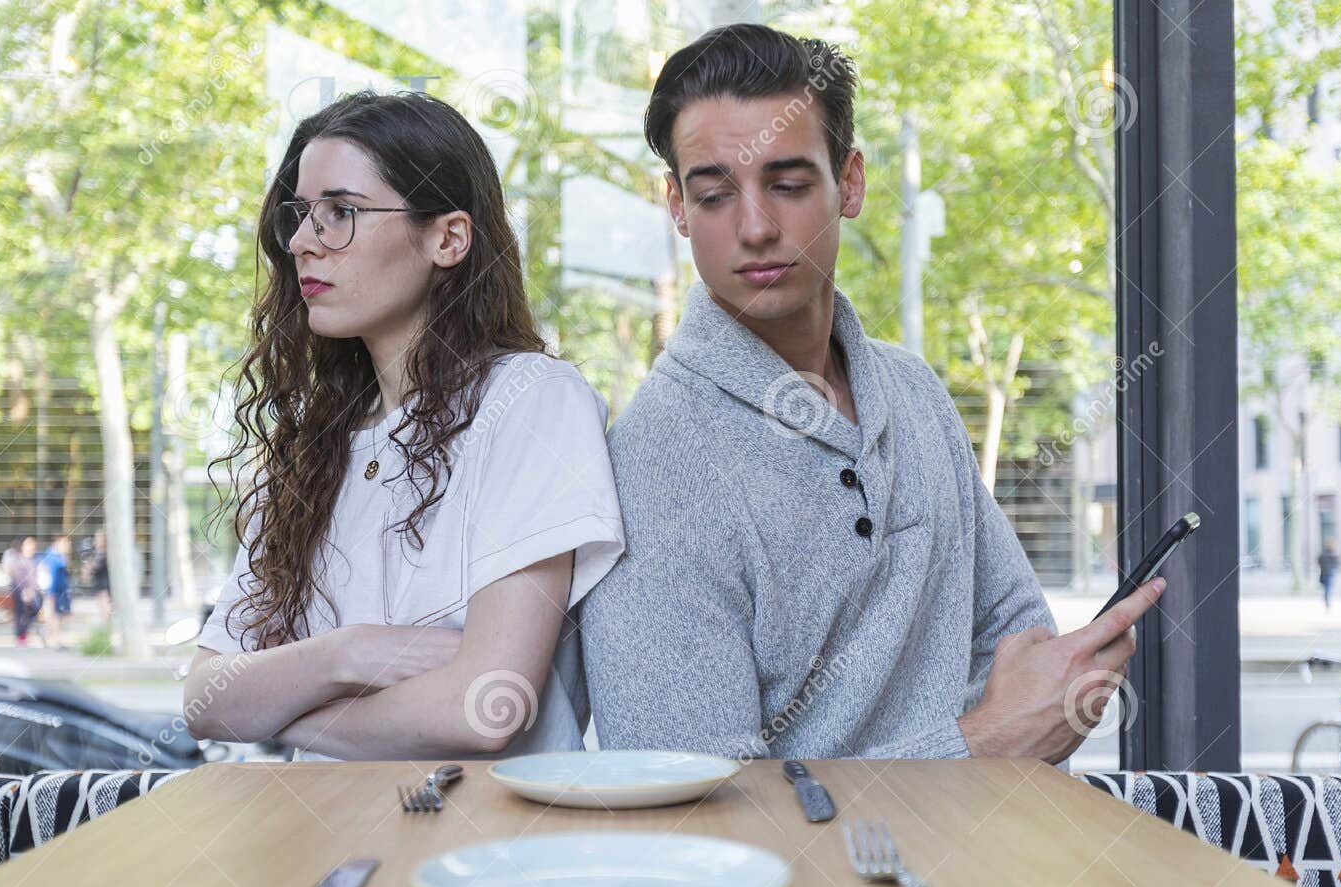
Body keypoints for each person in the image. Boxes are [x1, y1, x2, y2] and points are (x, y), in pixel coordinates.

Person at [580, 25, 1162, 764]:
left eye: (789, 186)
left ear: (849, 182)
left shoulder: (912, 390)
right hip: (824, 881)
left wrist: (1040, 691)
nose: (756, 227)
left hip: (992, 856)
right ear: (677, 206)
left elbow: (1011, 627)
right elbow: (701, 817)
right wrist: (986, 743)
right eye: (716, 194)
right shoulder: (652, 467)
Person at [185, 90, 624, 761]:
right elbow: (206, 698)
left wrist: (284, 710)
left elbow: (485, 706)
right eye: (299, 215)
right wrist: (347, 654)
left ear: (448, 237)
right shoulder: (316, 441)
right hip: (320, 843)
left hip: (490, 847)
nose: (303, 241)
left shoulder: (531, 401)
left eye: (341, 212)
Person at [6, 535, 43, 647]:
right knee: (21, 614)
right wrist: (25, 591)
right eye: (29, 544)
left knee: (33, 611)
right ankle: (21, 637)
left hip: (34, 592)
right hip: (20, 592)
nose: (32, 547)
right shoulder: (17, 561)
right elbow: (17, 578)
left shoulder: (35, 560)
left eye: (33, 544)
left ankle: (23, 634)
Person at [41, 534, 74, 648]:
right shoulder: (52, 557)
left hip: (60, 591)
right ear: (58, 543)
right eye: (65, 543)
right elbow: (52, 577)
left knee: (58, 616)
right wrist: (51, 593)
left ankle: (47, 634)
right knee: (55, 616)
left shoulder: (60, 556)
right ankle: (55, 639)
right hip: (55, 592)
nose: (68, 546)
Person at [1317, 538, 1339, 611]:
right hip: (1328, 573)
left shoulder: (1325, 553)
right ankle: (1327, 602)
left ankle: (1327, 602)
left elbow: (1319, 561)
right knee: (1328, 589)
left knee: (1327, 589)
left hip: (1326, 573)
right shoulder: (1332, 554)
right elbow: (1337, 563)